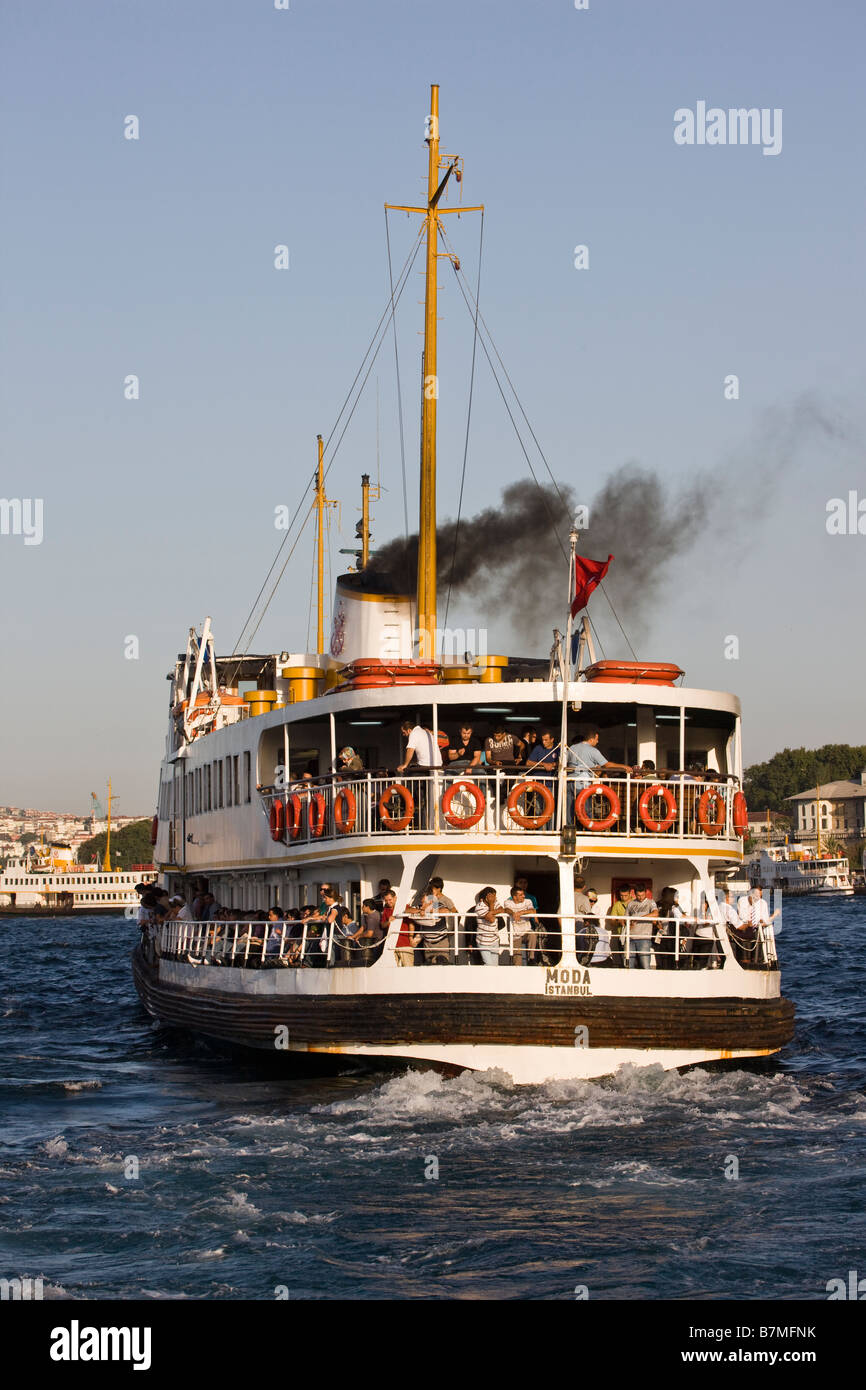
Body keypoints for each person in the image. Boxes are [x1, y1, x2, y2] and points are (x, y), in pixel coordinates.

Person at [408, 877, 457, 964]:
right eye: (421, 902)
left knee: (442, 965)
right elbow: (406, 909)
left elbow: (446, 911)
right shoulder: (420, 907)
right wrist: (420, 910)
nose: (422, 905)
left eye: (424, 902)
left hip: (441, 944)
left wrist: (427, 911)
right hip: (428, 945)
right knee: (429, 966)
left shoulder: (438, 904)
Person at [503, 885, 538, 965]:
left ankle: (531, 958)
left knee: (532, 935)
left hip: (526, 931)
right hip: (515, 934)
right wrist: (513, 914)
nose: (524, 896)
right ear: (514, 897)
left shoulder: (528, 901)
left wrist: (520, 913)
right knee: (517, 961)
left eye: (523, 894)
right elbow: (506, 909)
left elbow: (532, 910)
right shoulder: (508, 902)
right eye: (521, 895)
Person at [626, 884, 658, 969]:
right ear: (635, 894)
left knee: (645, 966)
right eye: (638, 895)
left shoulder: (651, 902)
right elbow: (626, 919)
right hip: (630, 938)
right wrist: (629, 924)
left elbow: (655, 913)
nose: (640, 897)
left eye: (642, 895)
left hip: (644, 938)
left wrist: (638, 919)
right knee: (629, 966)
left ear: (646, 893)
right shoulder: (630, 904)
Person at [654, 886, 683, 969]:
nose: (677, 898)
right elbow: (654, 918)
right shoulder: (657, 905)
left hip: (673, 936)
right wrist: (657, 924)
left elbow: (681, 919)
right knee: (662, 959)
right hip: (661, 935)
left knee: (672, 958)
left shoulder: (676, 906)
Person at [474, 886, 503, 966]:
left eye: (495, 896)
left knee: (495, 965)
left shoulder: (495, 902)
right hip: (483, 941)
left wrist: (491, 911)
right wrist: (491, 904)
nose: (495, 898)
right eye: (492, 896)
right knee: (489, 964)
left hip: (494, 939)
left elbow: (502, 909)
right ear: (486, 897)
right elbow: (491, 920)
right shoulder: (479, 907)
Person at [574, 875, 599, 966]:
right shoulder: (584, 899)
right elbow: (589, 916)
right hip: (581, 928)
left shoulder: (566, 897)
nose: (592, 903)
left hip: (568, 929)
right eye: (590, 901)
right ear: (584, 887)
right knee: (581, 948)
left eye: (594, 901)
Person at [607, 884, 631, 968]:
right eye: (621, 895)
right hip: (621, 936)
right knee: (622, 958)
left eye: (625, 895)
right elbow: (612, 921)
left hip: (634, 935)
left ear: (630, 894)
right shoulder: (617, 905)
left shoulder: (635, 903)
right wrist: (619, 921)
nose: (623, 897)